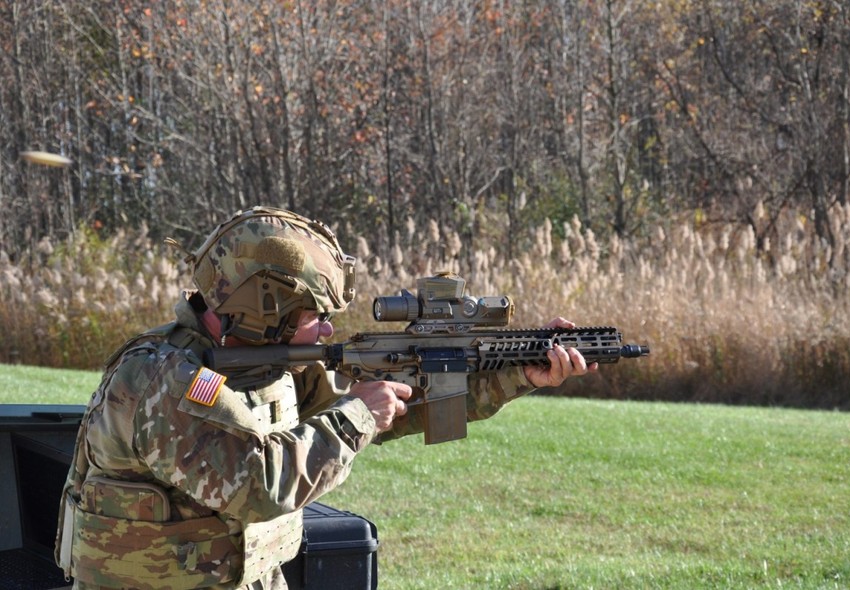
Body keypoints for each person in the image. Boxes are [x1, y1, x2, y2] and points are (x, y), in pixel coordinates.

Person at [55, 206, 593, 589]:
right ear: (266, 311)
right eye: (317, 317)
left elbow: (396, 407)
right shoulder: (163, 379)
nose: (329, 331)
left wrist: (517, 373)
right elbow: (256, 481)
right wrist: (358, 414)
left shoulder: (271, 362)